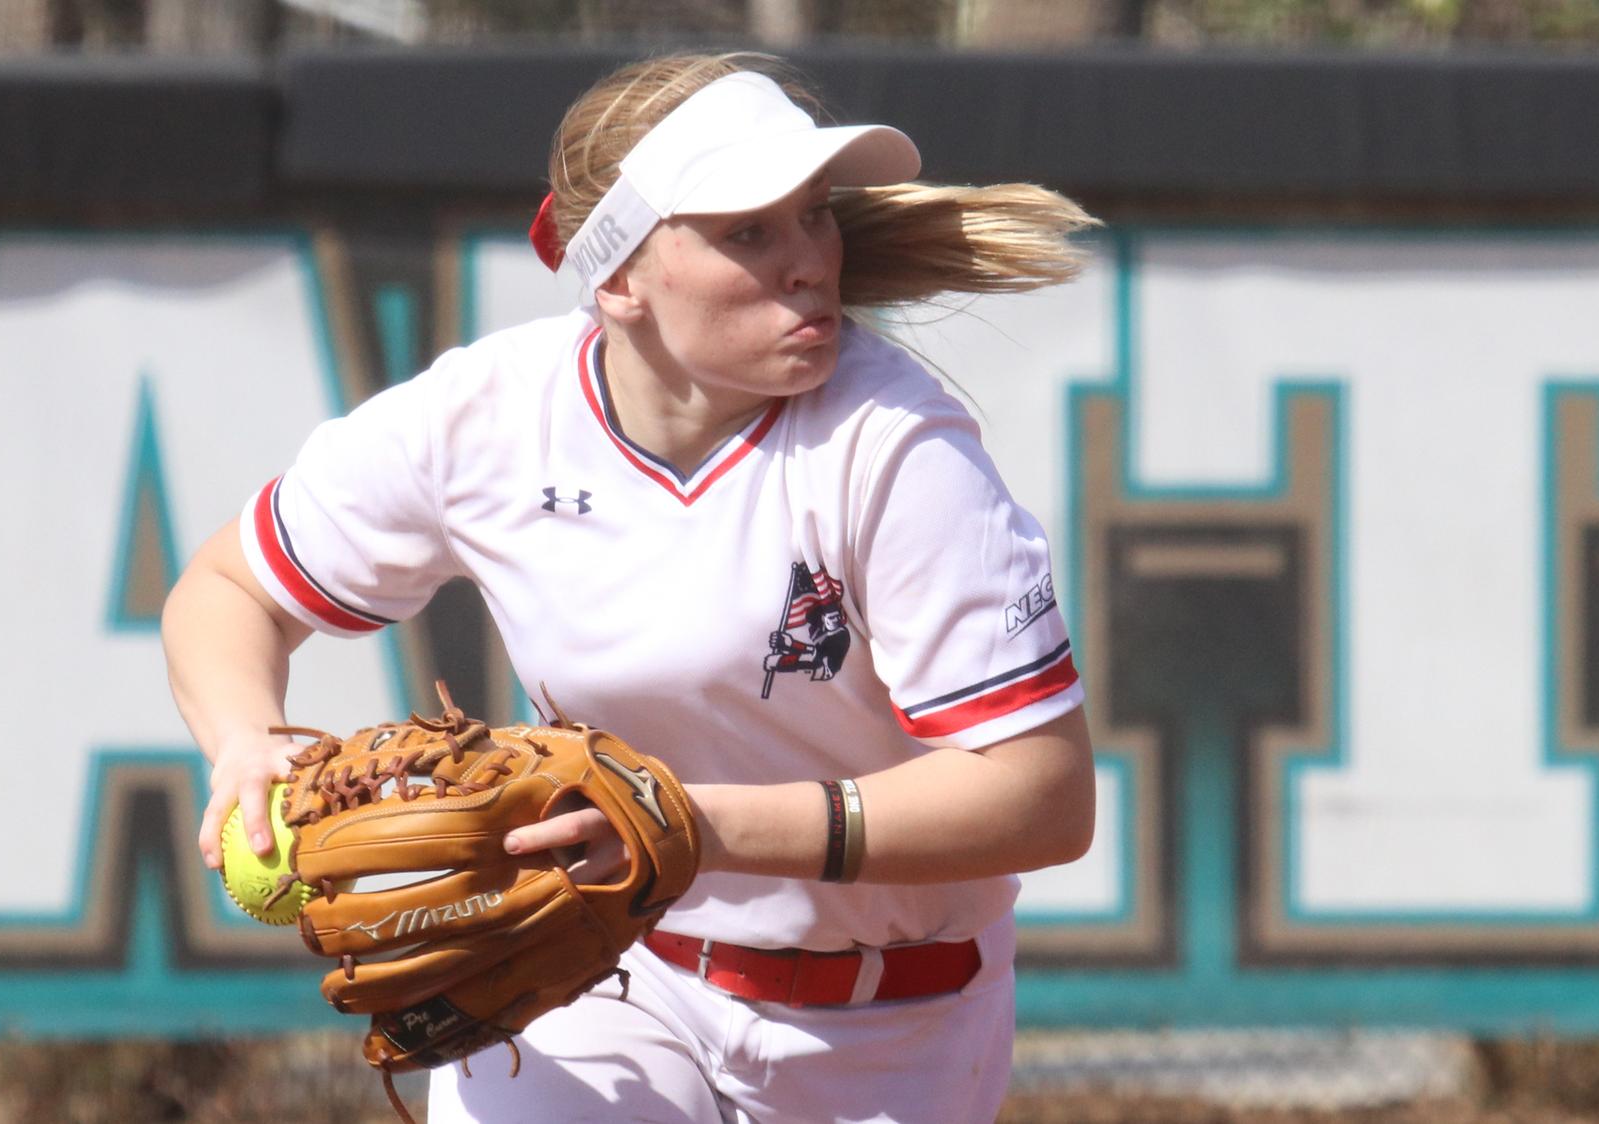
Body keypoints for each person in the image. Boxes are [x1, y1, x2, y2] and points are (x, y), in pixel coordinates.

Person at [162, 50, 1098, 1124]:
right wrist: (244, 738)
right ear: (618, 279)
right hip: (602, 969)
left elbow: (1041, 794)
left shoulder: (893, 448)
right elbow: (228, 588)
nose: (809, 261)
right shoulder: (490, 416)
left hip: (889, 1020)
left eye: (813, 214)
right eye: (749, 231)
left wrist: (692, 826)